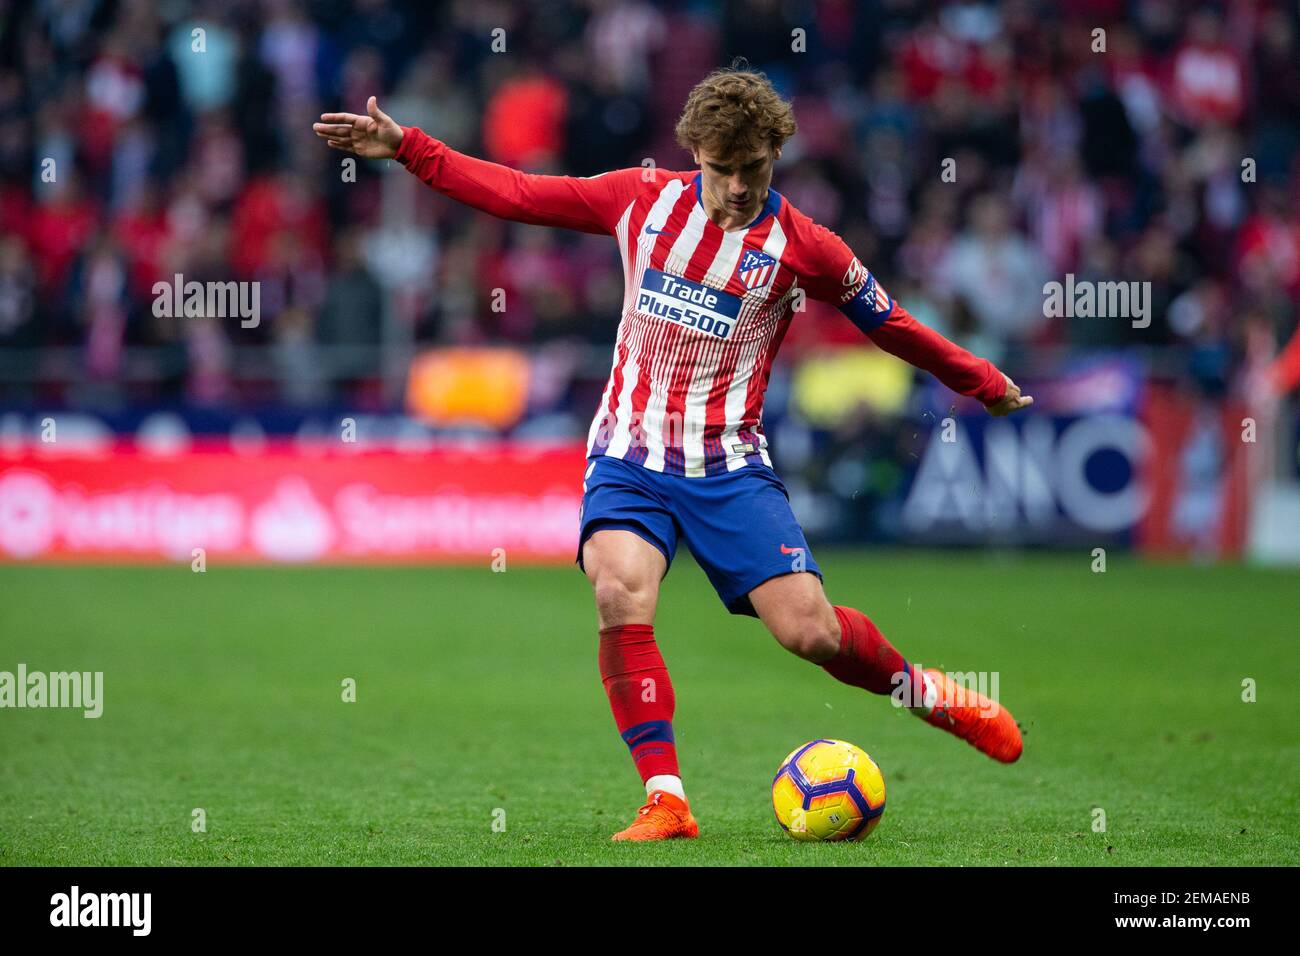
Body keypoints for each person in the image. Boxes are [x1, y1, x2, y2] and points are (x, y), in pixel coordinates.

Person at [314, 67, 1033, 842]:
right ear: (695, 153)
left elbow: (890, 322)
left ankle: (927, 694)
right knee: (619, 592)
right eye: (720, 170)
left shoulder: (806, 247)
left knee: (810, 634)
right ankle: (667, 798)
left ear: (774, 156)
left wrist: (981, 379)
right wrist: (411, 148)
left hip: (729, 468)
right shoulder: (641, 200)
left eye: (751, 171)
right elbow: (518, 194)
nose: (733, 187)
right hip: (629, 456)